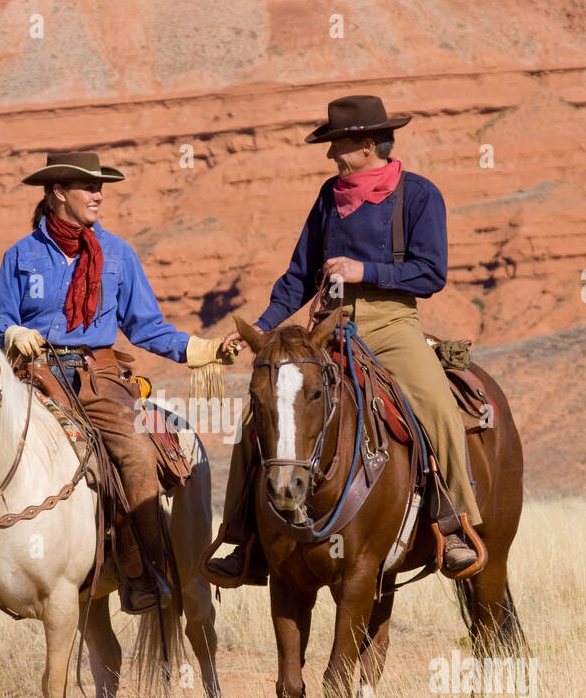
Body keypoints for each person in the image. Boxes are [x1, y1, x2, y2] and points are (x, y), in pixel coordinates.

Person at [0, 151, 231, 612]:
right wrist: (10, 332)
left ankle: (145, 573)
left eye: (100, 187)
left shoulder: (118, 253)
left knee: (134, 452)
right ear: (58, 193)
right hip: (28, 377)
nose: (98, 195)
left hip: (97, 378)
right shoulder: (21, 255)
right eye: (88, 187)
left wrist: (200, 349)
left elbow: (147, 326)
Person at [205, 95, 483, 584]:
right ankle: (241, 535)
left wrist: (364, 270)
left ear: (369, 145)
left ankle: (455, 523)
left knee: (438, 407)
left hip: (391, 325)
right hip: (325, 327)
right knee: (260, 411)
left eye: (341, 145)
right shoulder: (328, 196)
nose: (333, 155)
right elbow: (297, 275)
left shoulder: (419, 195)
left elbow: (430, 273)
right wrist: (264, 326)